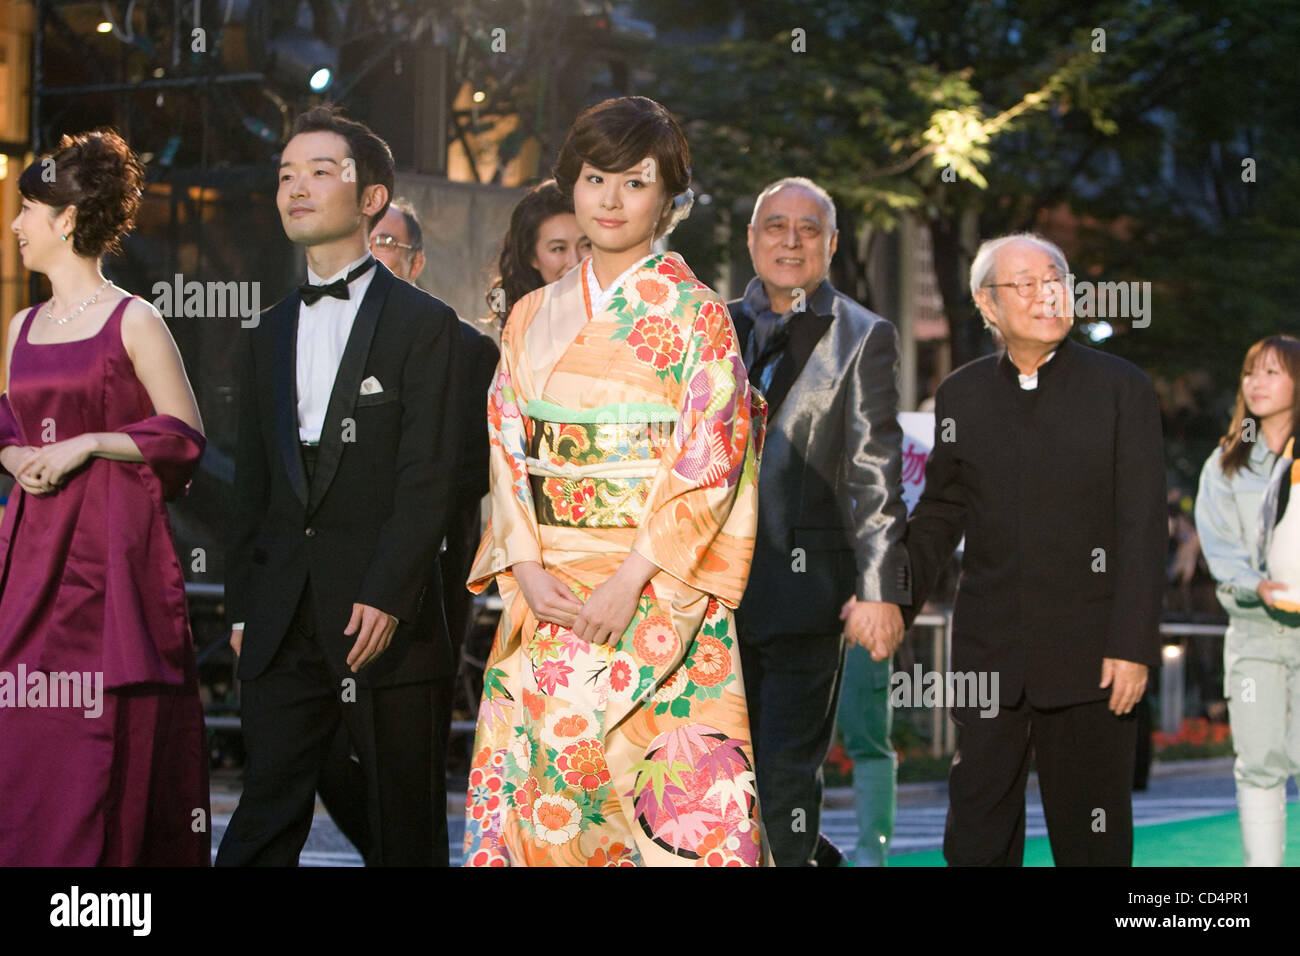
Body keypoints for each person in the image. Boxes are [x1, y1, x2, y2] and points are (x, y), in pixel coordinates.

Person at [462, 95, 767, 866]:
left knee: (674, 810)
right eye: (596, 178)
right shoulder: (530, 315)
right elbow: (507, 447)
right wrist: (525, 570)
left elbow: (712, 460)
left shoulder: (699, 317)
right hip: (553, 593)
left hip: (659, 588)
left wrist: (629, 582)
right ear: (572, 184)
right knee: (552, 801)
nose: (610, 199)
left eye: (636, 182)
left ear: (669, 199)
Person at [217, 107, 461, 866]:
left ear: (371, 200)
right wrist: (243, 606)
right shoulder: (264, 330)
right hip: (282, 618)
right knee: (263, 820)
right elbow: (250, 487)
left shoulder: (429, 326)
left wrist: (389, 592)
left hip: (388, 622)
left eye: (322, 171)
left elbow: (432, 475)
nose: (296, 187)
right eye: (286, 173)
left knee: (403, 832)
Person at [903, 232, 1166, 866]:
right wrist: (893, 597)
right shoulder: (961, 395)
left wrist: (1131, 645)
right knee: (976, 833)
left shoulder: (1121, 388)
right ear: (987, 305)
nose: (1047, 293)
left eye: (1056, 279)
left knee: (1093, 838)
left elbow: (1142, 524)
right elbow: (941, 509)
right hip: (989, 654)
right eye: (1026, 283)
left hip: (1094, 658)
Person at [0, 129, 209, 865]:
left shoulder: (134, 319)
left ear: (64, 221)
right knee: (22, 746)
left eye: (28, 209)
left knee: (104, 747)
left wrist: (89, 443)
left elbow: (183, 434)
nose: (17, 223)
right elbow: (4, 421)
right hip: (29, 556)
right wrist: (19, 452)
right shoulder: (21, 326)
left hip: (108, 563)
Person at [728, 176, 912, 867]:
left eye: (809, 229)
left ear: (831, 244)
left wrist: (878, 588)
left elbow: (876, 476)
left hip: (805, 596)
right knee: (712, 782)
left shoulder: (865, 336)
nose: (791, 240)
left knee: (783, 778)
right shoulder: (711, 328)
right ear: (752, 239)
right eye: (775, 226)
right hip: (704, 600)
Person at [1194, 334, 1300, 866]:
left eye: (1273, 372)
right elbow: (1220, 545)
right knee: (1259, 763)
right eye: (1250, 373)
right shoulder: (1226, 463)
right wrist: (1254, 584)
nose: (1256, 383)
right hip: (1255, 634)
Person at [487, 179, 591, 323]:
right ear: (532, 257)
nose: (575, 262)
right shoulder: (521, 325)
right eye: (558, 249)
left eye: (587, 245)